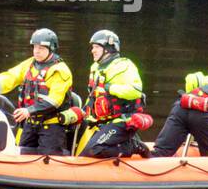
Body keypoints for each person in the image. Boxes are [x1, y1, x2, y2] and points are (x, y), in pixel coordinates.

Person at [0, 28, 73, 155]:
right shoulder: (29, 65)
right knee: (20, 153)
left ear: (51, 49)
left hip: (51, 126)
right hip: (30, 124)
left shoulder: (60, 70)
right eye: (35, 47)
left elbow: (54, 101)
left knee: (48, 159)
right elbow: (9, 78)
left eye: (41, 48)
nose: (36, 51)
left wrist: (29, 110)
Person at [61, 30, 151, 158]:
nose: (93, 50)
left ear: (108, 48)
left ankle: (133, 146)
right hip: (100, 121)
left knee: (94, 149)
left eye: (97, 47)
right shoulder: (95, 68)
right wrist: (82, 113)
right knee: (73, 141)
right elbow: (94, 96)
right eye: (93, 47)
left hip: (121, 121)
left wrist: (109, 88)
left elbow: (135, 91)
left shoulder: (125, 66)